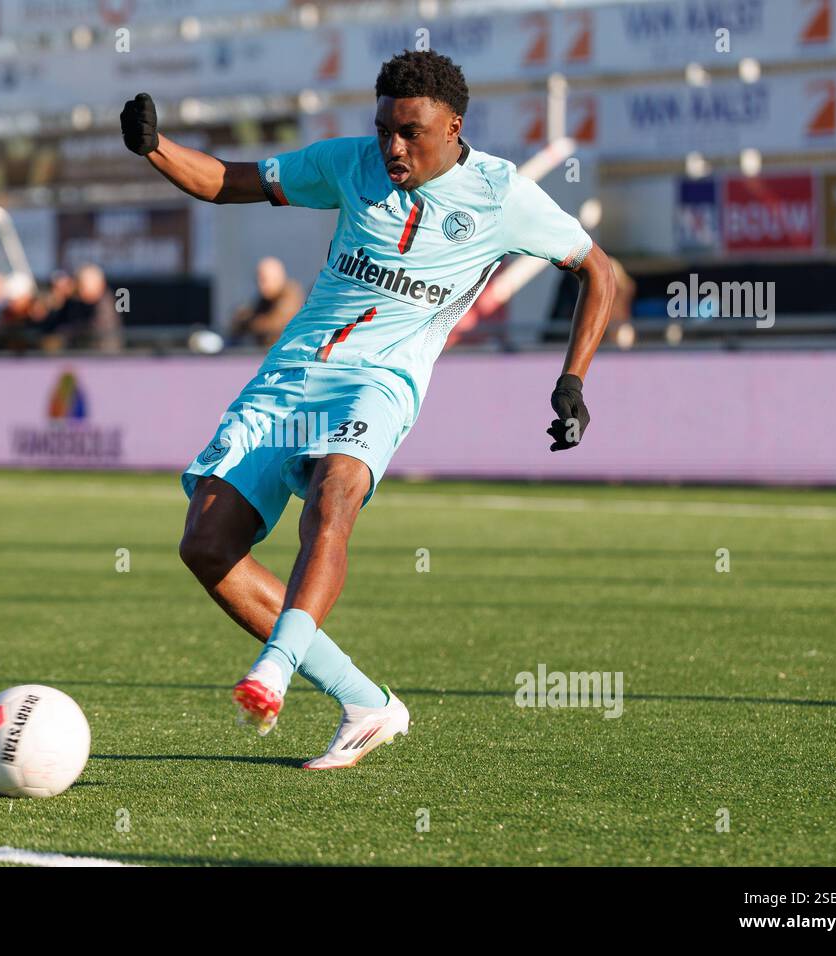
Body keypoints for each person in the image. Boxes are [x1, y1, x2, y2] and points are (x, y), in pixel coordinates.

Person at [119, 50, 616, 769]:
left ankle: (274, 673)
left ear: (453, 127)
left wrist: (572, 381)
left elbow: (598, 270)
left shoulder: (503, 196)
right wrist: (155, 149)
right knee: (205, 545)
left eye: (410, 132)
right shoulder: (349, 163)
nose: (392, 147)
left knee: (335, 495)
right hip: (290, 377)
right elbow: (233, 182)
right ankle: (365, 701)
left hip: (379, 383)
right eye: (384, 128)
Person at [229, 257, 304, 348]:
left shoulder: (291, 295)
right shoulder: (265, 299)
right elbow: (242, 319)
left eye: (264, 280)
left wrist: (249, 322)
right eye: (257, 280)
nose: (259, 284)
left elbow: (275, 323)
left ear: (277, 278)